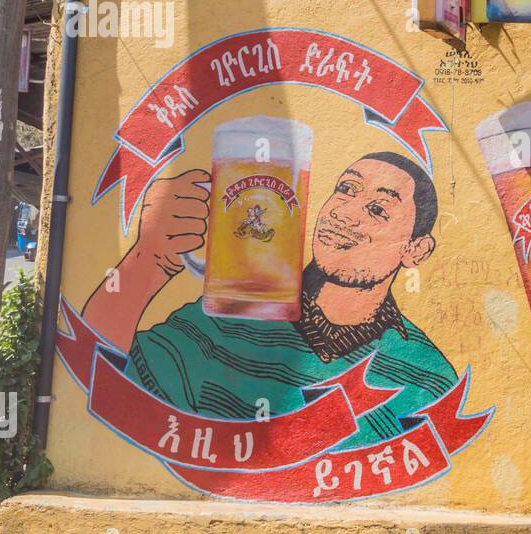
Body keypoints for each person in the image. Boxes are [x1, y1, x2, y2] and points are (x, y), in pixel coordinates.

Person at [82, 151, 456, 449]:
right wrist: (149, 261)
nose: (343, 213)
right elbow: (99, 380)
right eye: (345, 190)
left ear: (416, 250)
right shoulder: (228, 318)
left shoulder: (430, 378)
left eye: (377, 210)